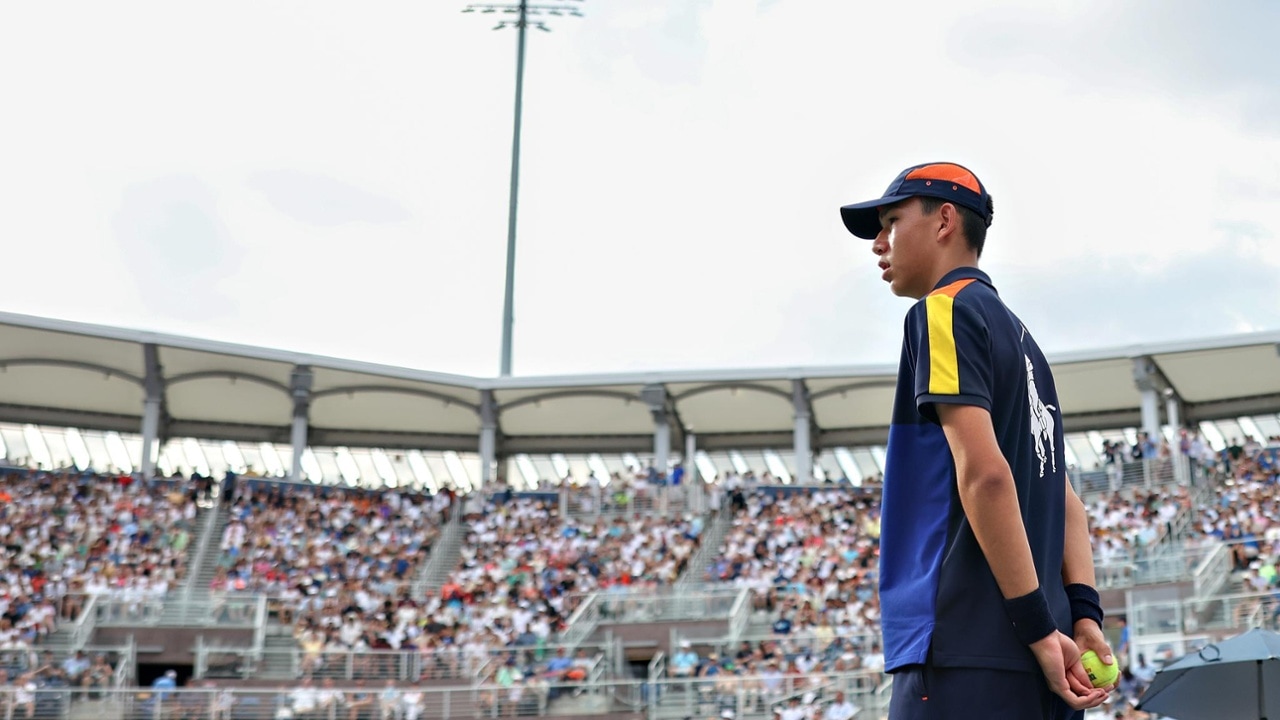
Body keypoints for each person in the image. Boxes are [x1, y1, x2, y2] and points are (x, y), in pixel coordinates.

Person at [839, 162, 1113, 719]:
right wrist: (1080, 617)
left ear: (944, 220)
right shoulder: (1023, 339)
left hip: (967, 647)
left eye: (891, 220)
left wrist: (1037, 630)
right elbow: (1068, 508)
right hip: (1051, 653)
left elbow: (985, 475)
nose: (878, 243)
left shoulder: (941, 311)